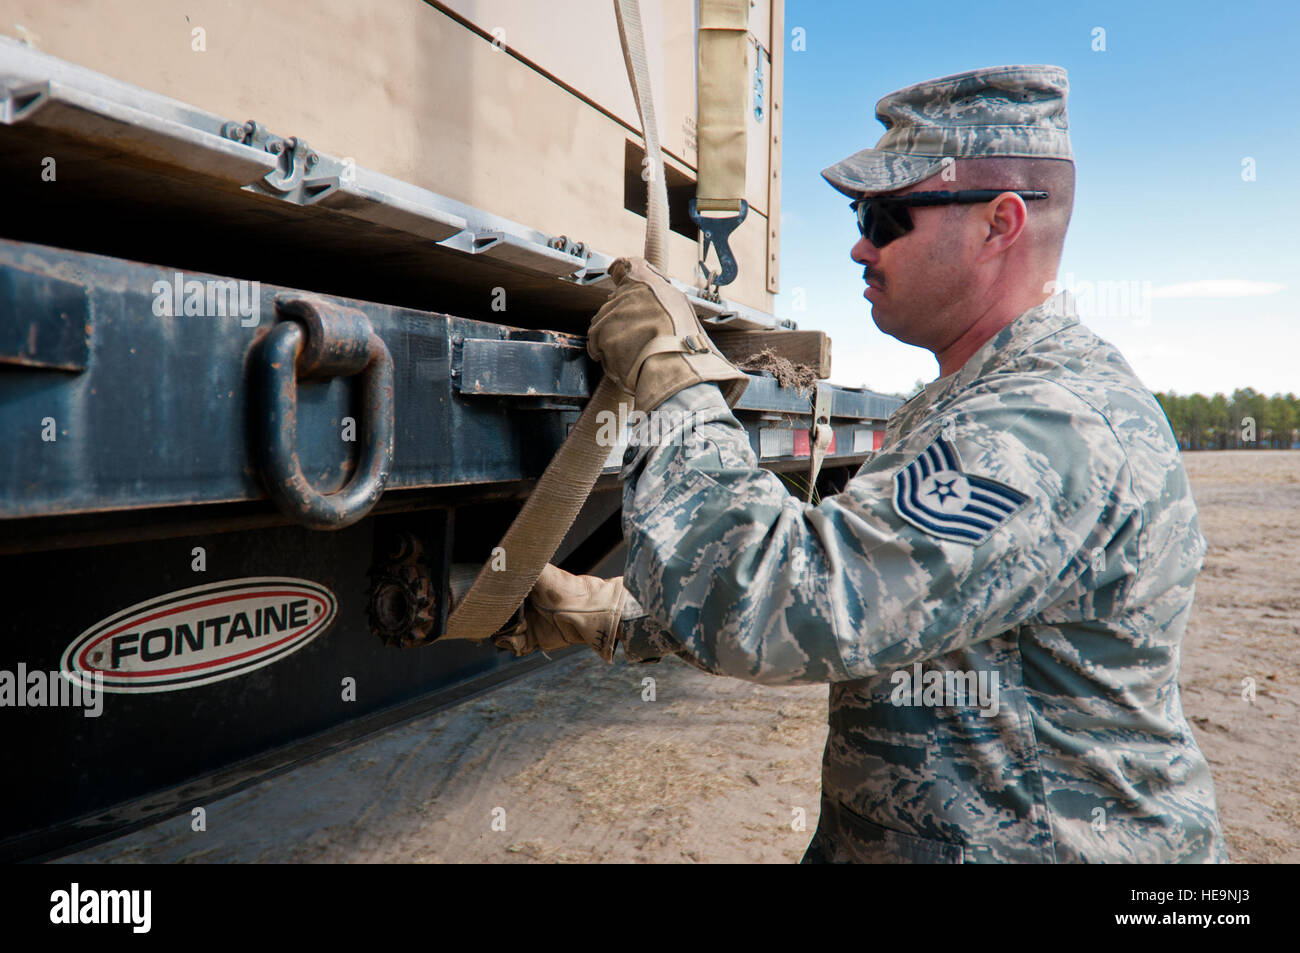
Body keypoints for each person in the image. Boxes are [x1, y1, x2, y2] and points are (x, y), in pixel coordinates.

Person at [503, 65, 1228, 863]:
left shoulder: (1049, 428)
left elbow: (782, 598)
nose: (858, 242)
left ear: (1001, 223)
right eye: (860, 214)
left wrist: (672, 382)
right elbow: (893, 615)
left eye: (886, 217)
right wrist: (613, 619)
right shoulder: (962, 402)